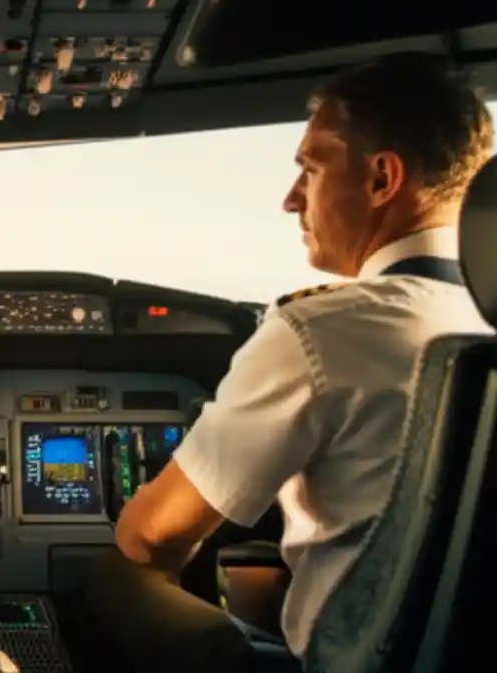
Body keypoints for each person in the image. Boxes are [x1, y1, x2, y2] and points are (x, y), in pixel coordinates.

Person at [86, 53, 494, 669]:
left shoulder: (326, 330)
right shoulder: (477, 323)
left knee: (118, 578)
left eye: (310, 168)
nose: (289, 199)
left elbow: (151, 537)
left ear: (382, 179)